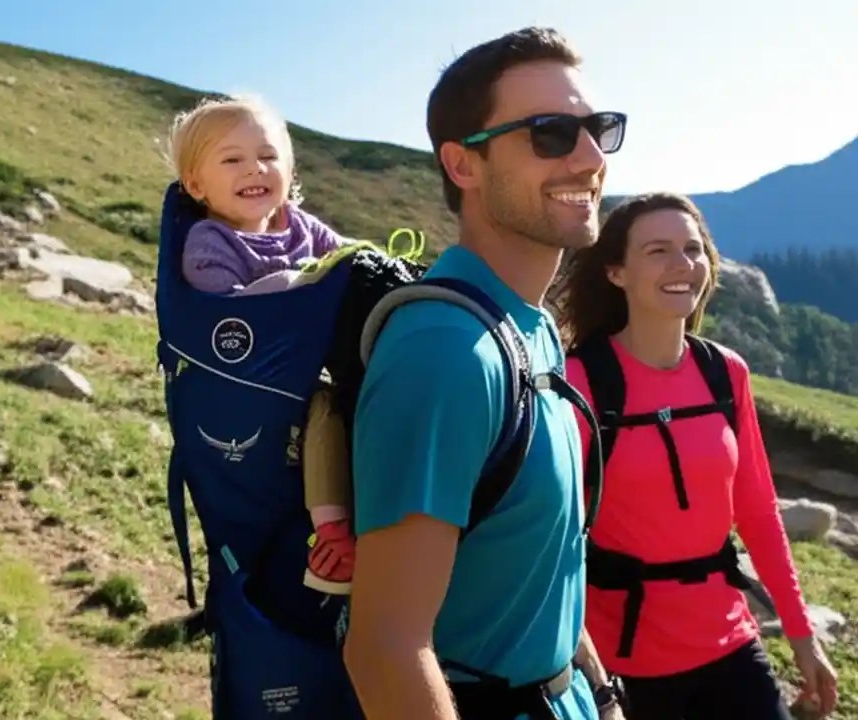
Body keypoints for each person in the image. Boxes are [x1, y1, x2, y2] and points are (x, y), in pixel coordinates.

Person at [343, 26, 628, 720]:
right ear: (463, 166)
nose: (591, 156)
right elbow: (383, 648)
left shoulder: (529, 330)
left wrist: (598, 690)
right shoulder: (445, 352)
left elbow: (539, 569)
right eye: (551, 133)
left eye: (600, 129)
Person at [558, 191, 840, 720]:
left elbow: (758, 513)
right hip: (623, 662)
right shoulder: (581, 381)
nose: (682, 265)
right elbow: (551, 541)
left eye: (693, 249)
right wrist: (588, 677)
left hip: (730, 642)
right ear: (616, 272)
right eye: (658, 250)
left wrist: (801, 635)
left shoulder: (725, 372)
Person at [169, 93, 359, 595]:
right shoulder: (209, 242)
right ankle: (333, 536)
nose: (255, 168)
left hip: (315, 361)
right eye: (232, 159)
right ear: (196, 184)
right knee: (325, 405)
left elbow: (349, 260)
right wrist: (304, 282)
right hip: (255, 389)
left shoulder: (299, 226)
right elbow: (226, 312)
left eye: (269, 156)